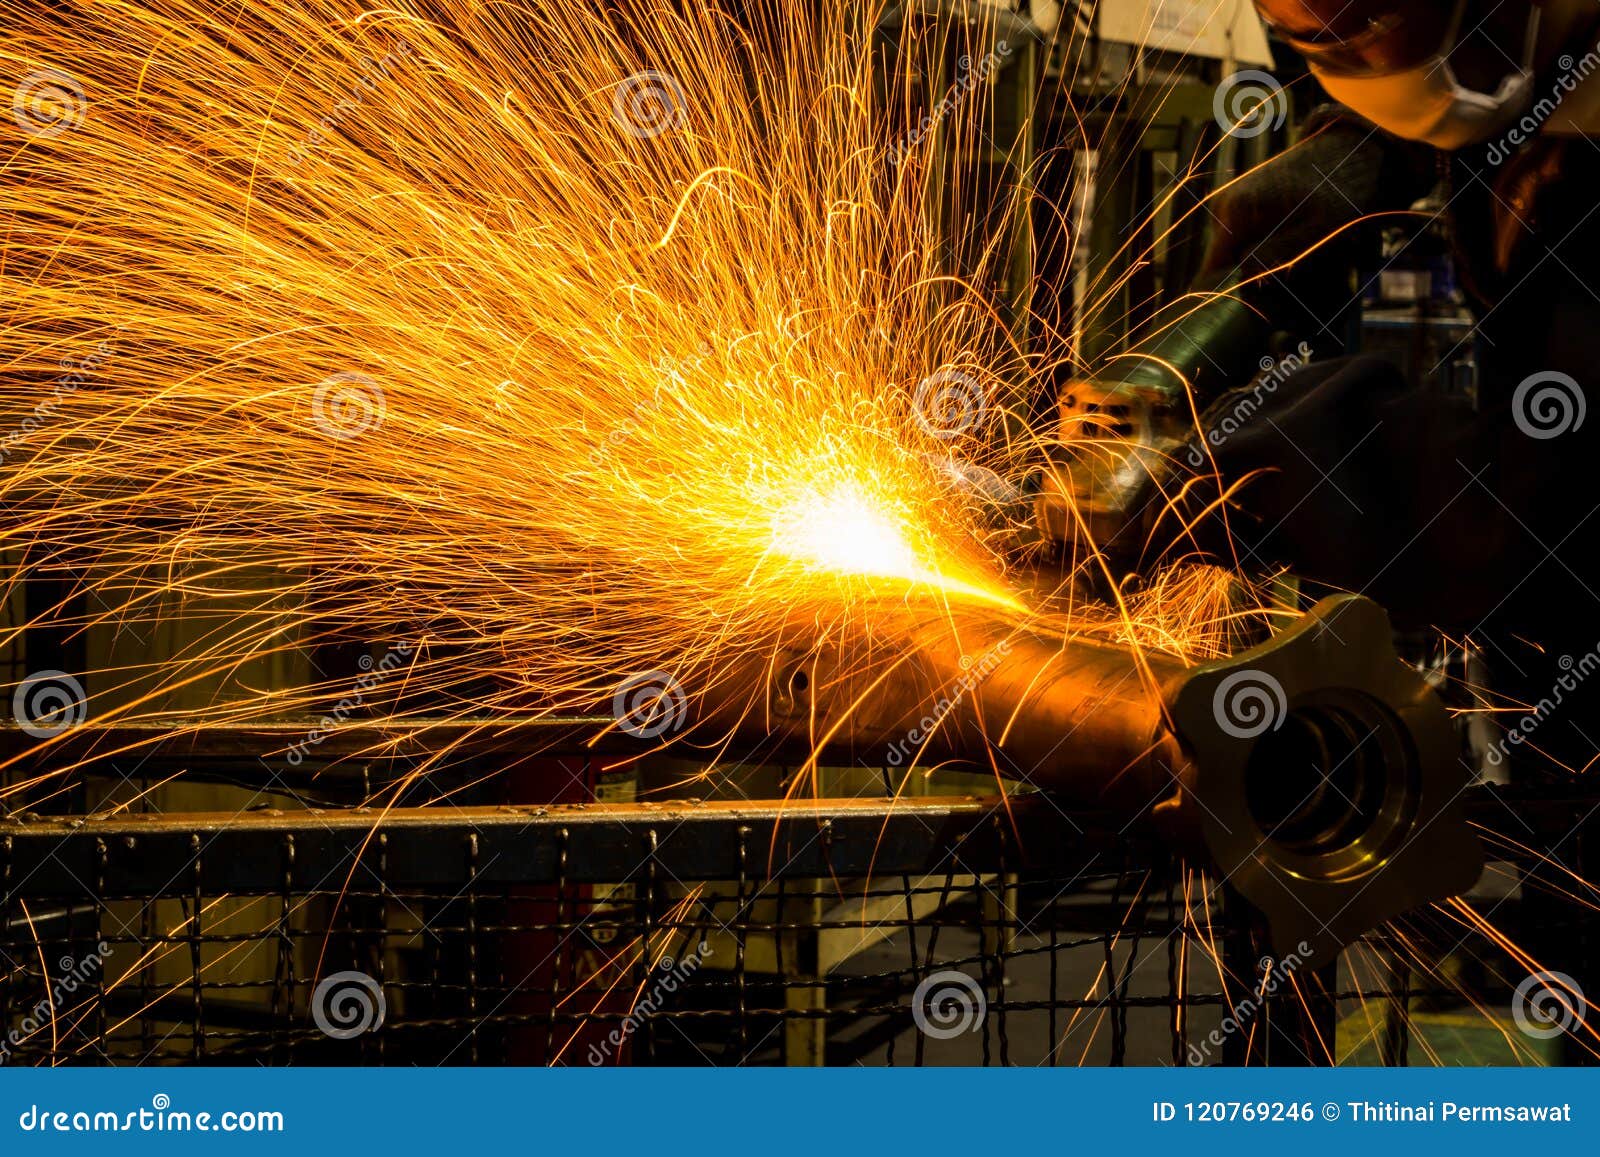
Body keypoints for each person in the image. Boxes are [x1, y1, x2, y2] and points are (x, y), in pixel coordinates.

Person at [1057, 0, 1600, 774]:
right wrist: (1346, 167)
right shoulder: (1533, 60)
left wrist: (1258, 458)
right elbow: (1438, 117)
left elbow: (1540, 509)